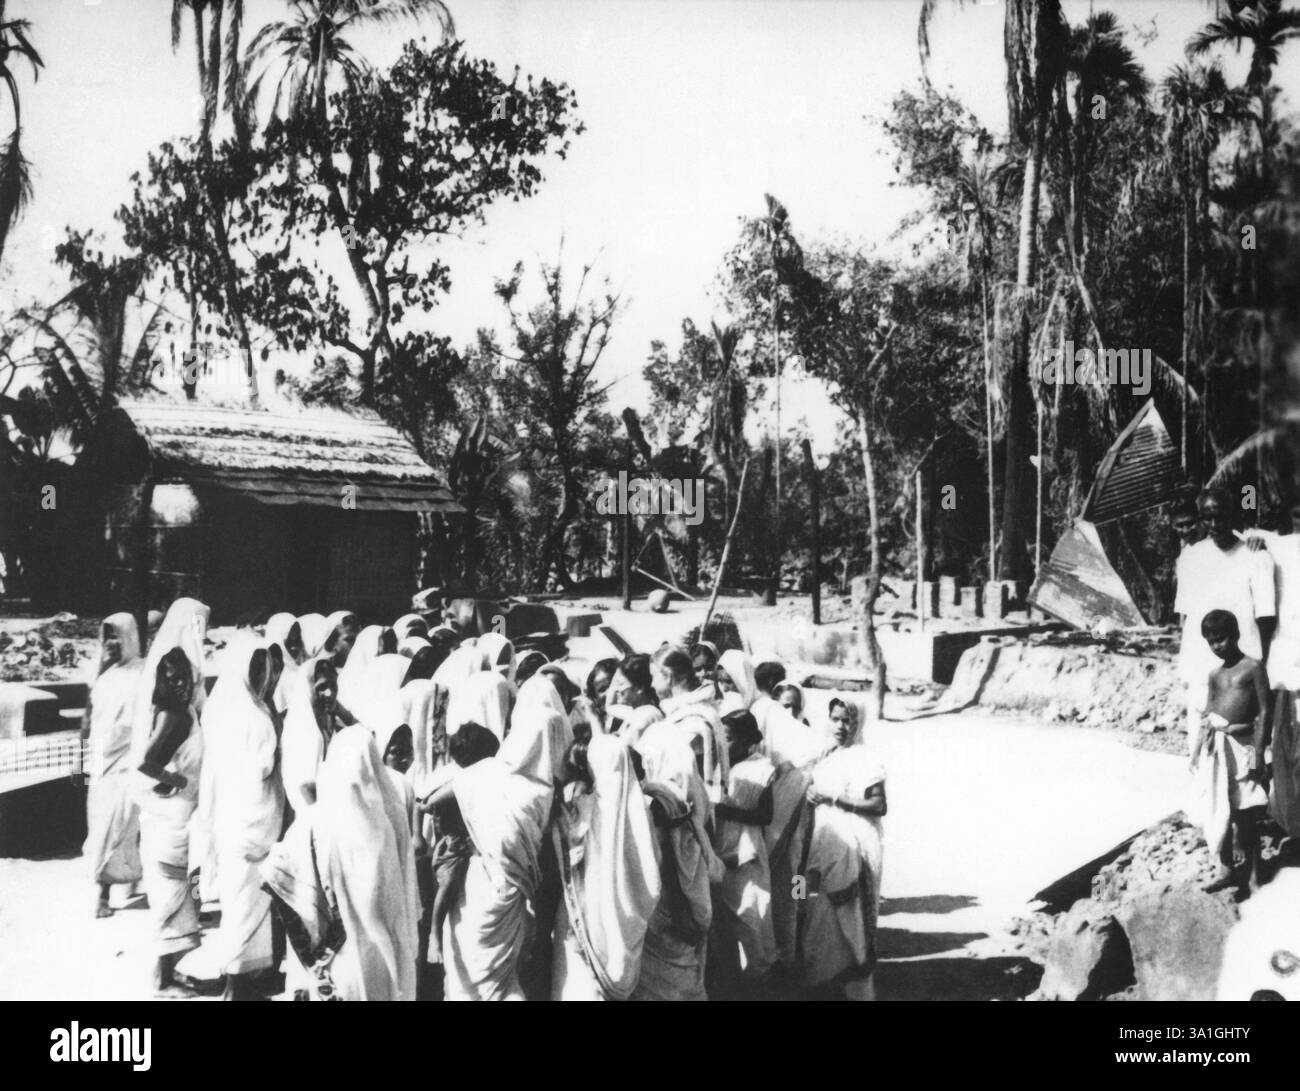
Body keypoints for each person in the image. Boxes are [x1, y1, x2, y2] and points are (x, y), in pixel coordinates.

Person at [436, 693, 570, 1000]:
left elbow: (431, 802)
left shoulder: (490, 775)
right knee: (502, 979)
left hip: (479, 884)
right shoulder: (546, 792)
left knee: (469, 977)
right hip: (516, 895)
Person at [179, 637, 286, 1000]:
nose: (261, 674)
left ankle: (245, 979)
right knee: (243, 910)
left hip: (238, 820)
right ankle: (235, 987)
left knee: (244, 906)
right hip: (248, 823)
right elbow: (259, 767)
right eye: (255, 666)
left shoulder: (229, 706)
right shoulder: (252, 714)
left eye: (263, 666)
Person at [132, 597, 209, 995]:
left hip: (179, 819)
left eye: (184, 676)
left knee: (180, 897)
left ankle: (171, 971)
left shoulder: (182, 710)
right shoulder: (174, 717)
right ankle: (162, 978)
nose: (179, 682)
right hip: (171, 822)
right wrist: (176, 782)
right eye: (171, 676)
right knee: (170, 897)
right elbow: (146, 763)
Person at [314, 724, 420, 1000]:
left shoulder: (321, 819)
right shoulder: (390, 809)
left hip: (340, 937)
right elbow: (407, 871)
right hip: (382, 929)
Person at [551, 735, 661, 1000]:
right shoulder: (640, 809)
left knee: (578, 979)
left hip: (585, 906)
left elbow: (570, 850)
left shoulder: (586, 804)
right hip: (624, 913)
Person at [1175, 489, 1276, 758]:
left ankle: (1252, 795)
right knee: (1201, 733)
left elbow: (1266, 617)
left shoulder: (1256, 556)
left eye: (1220, 517)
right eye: (1207, 518)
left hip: (1243, 663)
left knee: (1246, 740)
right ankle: (1204, 797)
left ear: (1233, 515)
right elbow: (1186, 616)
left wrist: (1260, 663)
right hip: (1201, 660)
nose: (1215, 525)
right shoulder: (1191, 558)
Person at [798, 697, 887, 1000]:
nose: (840, 726)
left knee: (848, 917)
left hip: (851, 850)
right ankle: (814, 981)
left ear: (857, 722)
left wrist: (834, 799)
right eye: (835, 718)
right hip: (818, 843)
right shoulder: (825, 753)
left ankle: (853, 987)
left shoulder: (865, 758)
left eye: (846, 720)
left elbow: (879, 804)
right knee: (807, 905)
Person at [632, 731, 725, 1000]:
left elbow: (669, 865)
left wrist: (683, 911)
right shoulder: (691, 802)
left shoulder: (659, 803)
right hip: (687, 905)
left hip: (673, 908)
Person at [1190, 610, 1272, 896]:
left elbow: (1265, 711)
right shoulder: (1215, 674)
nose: (1216, 646)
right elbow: (1209, 712)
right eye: (1211, 642)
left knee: (1246, 809)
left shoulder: (1253, 668)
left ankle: (1254, 875)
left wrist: (1258, 753)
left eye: (1221, 639)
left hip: (1245, 742)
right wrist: (1197, 750)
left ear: (1235, 635)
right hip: (1217, 746)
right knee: (1217, 806)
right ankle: (1226, 870)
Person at [1244, 502, 1300, 838]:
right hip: (1285, 663)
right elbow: (1251, 533)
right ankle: (1291, 826)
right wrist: (1253, 536)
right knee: (1282, 745)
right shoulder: (1279, 549)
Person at [82, 612, 144, 918]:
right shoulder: (102, 678)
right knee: (101, 827)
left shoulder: (143, 674)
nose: (112, 643)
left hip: (129, 762)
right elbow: (88, 718)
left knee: (122, 826)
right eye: (107, 636)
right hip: (100, 764)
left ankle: (109, 891)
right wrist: (82, 759)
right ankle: (105, 890)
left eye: (117, 636)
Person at [712, 709, 777, 993]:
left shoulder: (760, 769)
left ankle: (760, 975)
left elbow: (766, 815)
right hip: (717, 852)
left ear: (745, 740)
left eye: (727, 739)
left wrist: (730, 811)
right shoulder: (713, 765)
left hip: (746, 853)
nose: (722, 744)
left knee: (752, 916)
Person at [643, 645, 728, 796]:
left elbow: (682, 776)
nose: (651, 684)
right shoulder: (698, 710)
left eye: (653, 676)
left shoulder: (692, 719)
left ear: (668, 676)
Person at [606, 653, 664, 744]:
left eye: (620, 684)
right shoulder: (637, 711)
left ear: (639, 688)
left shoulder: (645, 716)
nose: (616, 689)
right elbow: (609, 707)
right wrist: (619, 670)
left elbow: (623, 750)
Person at [717, 649, 758, 715]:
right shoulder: (721, 708)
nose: (724, 688)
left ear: (742, 680)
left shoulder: (761, 709)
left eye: (728, 681)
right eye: (720, 681)